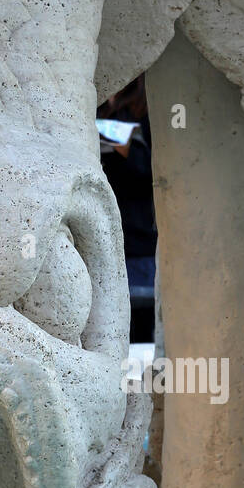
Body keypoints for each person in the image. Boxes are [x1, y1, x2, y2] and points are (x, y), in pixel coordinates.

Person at [97, 77, 157, 341]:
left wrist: (119, 141)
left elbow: (148, 169)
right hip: (104, 238)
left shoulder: (146, 110)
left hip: (139, 242)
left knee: (140, 328)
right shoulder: (98, 108)